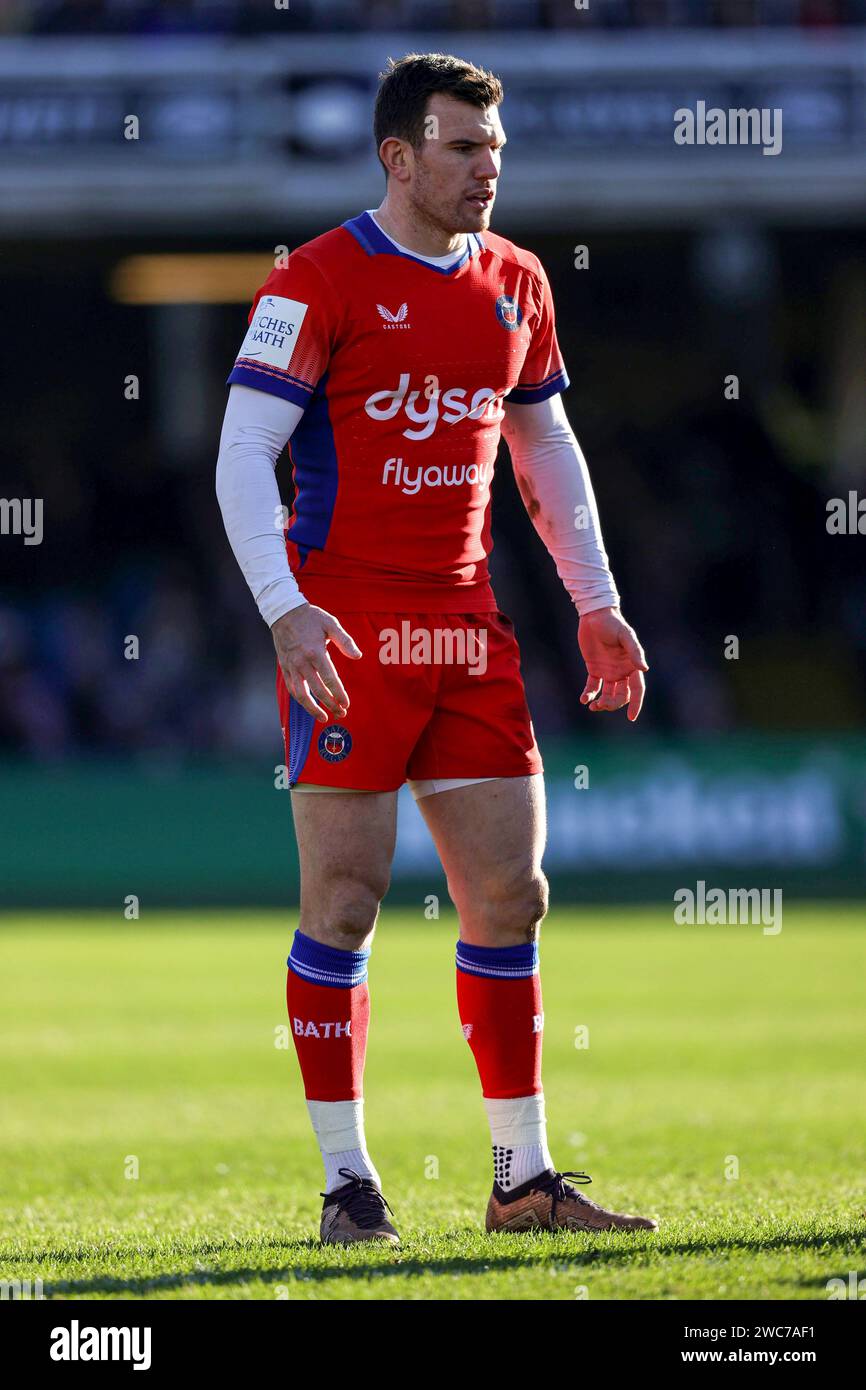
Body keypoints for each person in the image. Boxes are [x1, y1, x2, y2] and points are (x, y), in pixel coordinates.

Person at [216, 52, 656, 1244]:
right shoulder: (314, 281)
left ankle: (521, 1181)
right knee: (346, 905)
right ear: (397, 156)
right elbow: (240, 451)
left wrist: (594, 600)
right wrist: (283, 605)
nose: (485, 173)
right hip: (347, 635)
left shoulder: (515, 283)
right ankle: (346, 1189)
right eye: (462, 149)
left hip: (467, 630)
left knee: (509, 898)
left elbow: (544, 449)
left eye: (495, 153)